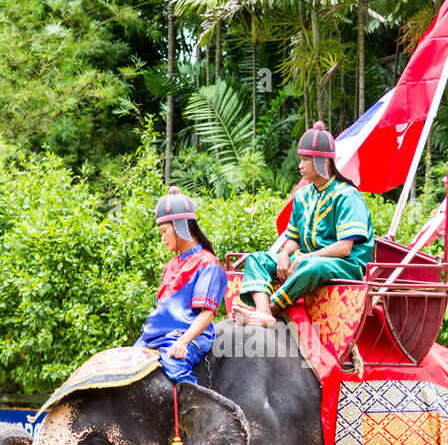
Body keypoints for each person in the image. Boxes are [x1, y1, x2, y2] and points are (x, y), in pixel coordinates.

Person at [234, 121, 374, 327]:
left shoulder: (347, 195)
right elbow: (294, 239)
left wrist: (306, 257)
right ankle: (262, 312)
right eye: (300, 159)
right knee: (257, 259)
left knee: (312, 265)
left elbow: (345, 247)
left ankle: (272, 308)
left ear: (323, 162)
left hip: (346, 266)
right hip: (306, 260)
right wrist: (284, 254)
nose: (300, 165)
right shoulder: (302, 196)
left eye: (305, 160)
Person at [135, 187, 227, 385]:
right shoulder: (171, 265)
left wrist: (184, 341)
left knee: (175, 367)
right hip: (155, 336)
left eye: (164, 231)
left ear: (180, 227)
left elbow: (207, 313)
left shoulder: (208, 263)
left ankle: (197, 412)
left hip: (188, 335)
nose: (162, 238)